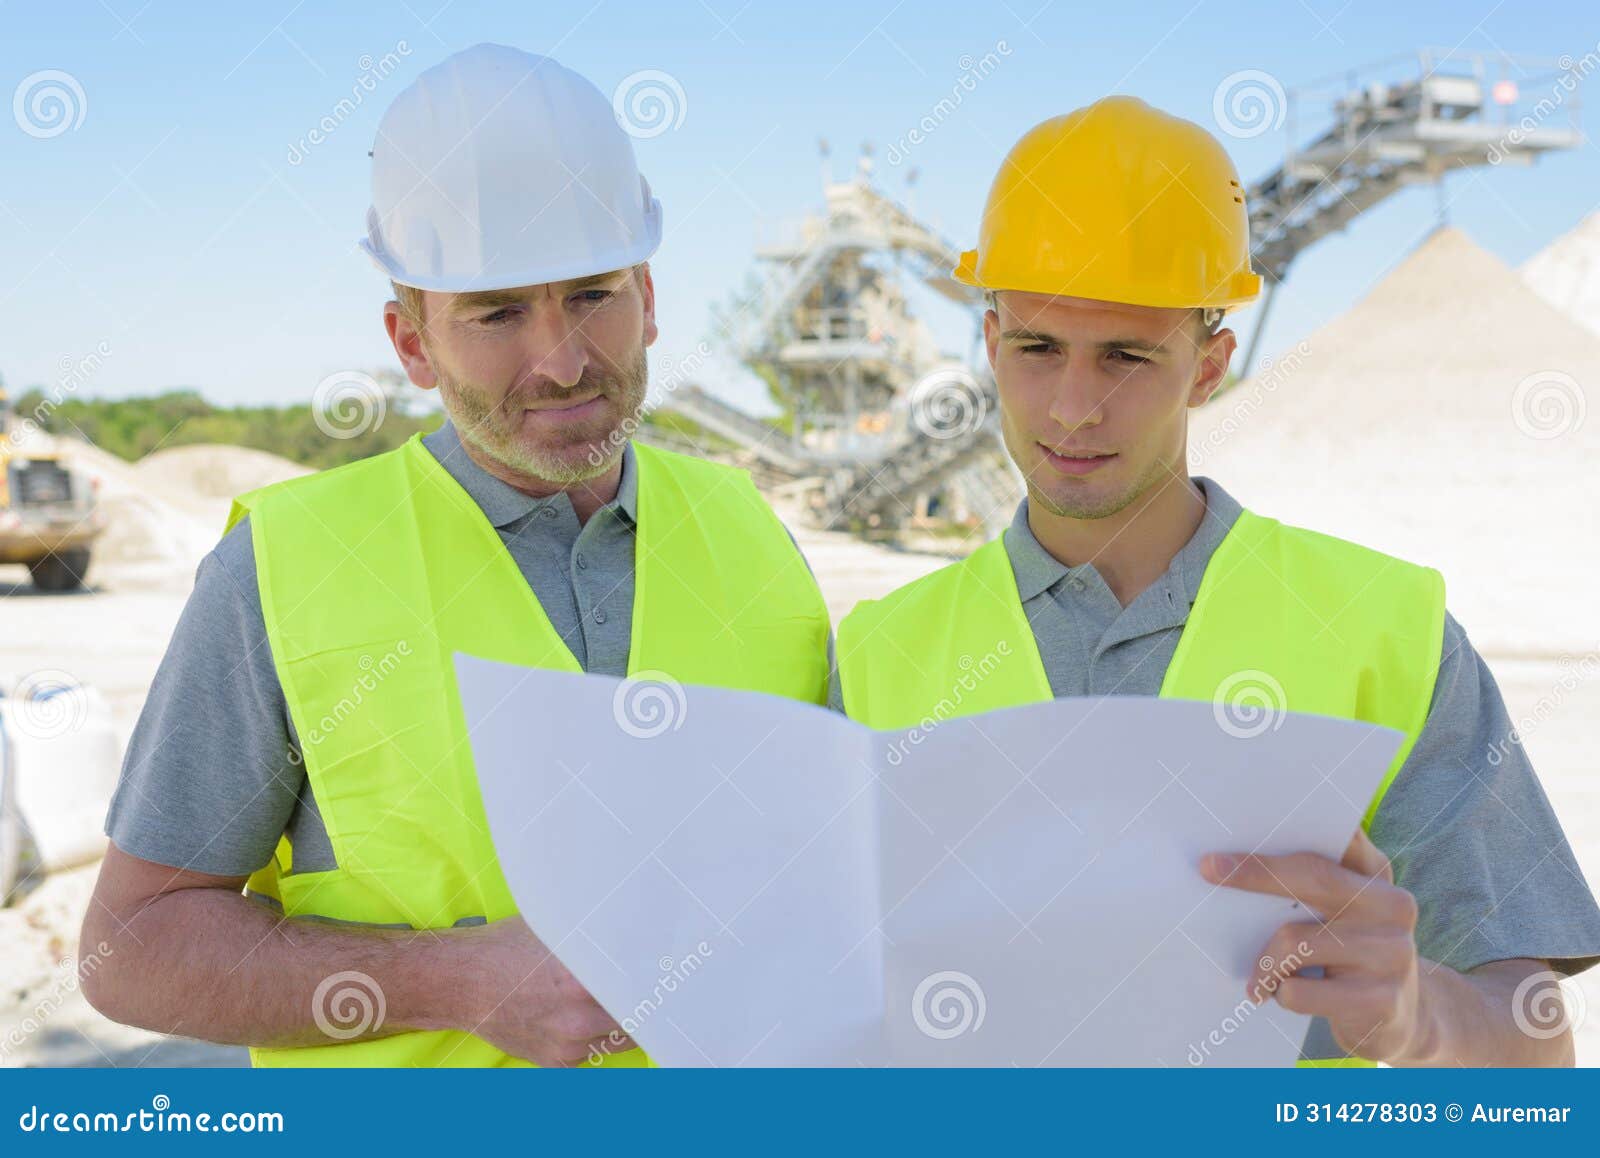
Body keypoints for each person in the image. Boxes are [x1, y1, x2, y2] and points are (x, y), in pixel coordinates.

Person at [81, 44, 830, 1068]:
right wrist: (458, 981)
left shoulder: (750, 529)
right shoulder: (284, 569)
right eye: (497, 312)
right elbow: (129, 950)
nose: (562, 361)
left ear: (650, 297)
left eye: (593, 295)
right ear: (412, 344)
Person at [834, 96, 1600, 1066]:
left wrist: (1421, 1016)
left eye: (1126, 357)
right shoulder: (874, 658)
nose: (1073, 408)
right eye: (1037, 349)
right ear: (989, 346)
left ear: (1210, 366)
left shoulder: (1387, 632)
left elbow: (1535, 1052)